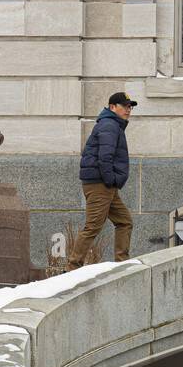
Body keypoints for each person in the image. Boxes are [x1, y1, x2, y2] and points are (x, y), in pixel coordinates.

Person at [68, 91, 135, 269]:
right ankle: (72, 267)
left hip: (105, 185)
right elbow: (105, 157)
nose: (128, 110)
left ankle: (122, 263)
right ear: (113, 107)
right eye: (125, 106)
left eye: (130, 107)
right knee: (93, 226)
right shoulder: (109, 125)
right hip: (100, 184)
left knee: (124, 221)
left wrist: (111, 182)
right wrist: (110, 179)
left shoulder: (112, 125)